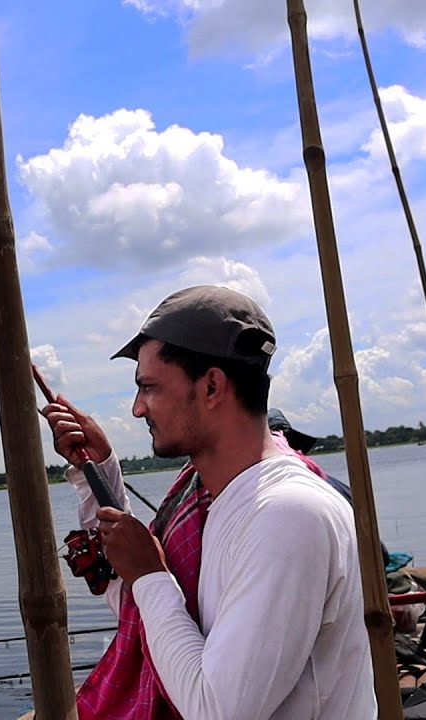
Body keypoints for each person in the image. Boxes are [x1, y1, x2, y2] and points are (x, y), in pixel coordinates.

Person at [42, 285, 375, 719]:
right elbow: (142, 606)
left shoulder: (289, 514)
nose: (137, 409)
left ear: (213, 385)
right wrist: (97, 473)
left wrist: (149, 574)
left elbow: (217, 709)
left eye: (149, 388)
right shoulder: (206, 493)